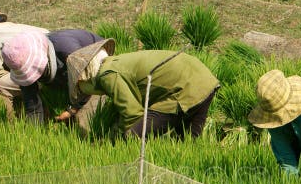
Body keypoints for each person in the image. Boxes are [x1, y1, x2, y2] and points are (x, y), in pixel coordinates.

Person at [66, 42, 219, 139]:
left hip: (185, 88)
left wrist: (113, 137)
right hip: (205, 81)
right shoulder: (116, 63)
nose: (86, 93)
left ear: (83, 78)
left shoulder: (108, 74)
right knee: (187, 142)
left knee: (132, 136)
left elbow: (132, 113)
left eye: (82, 89)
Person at [1, 29, 108, 134]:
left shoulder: (69, 51)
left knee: (83, 126)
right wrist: (32, 135)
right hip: (67, 76)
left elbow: (88, 81)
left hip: (95, 75)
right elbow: (32, 108)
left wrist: (72, 110)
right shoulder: (19, 61)